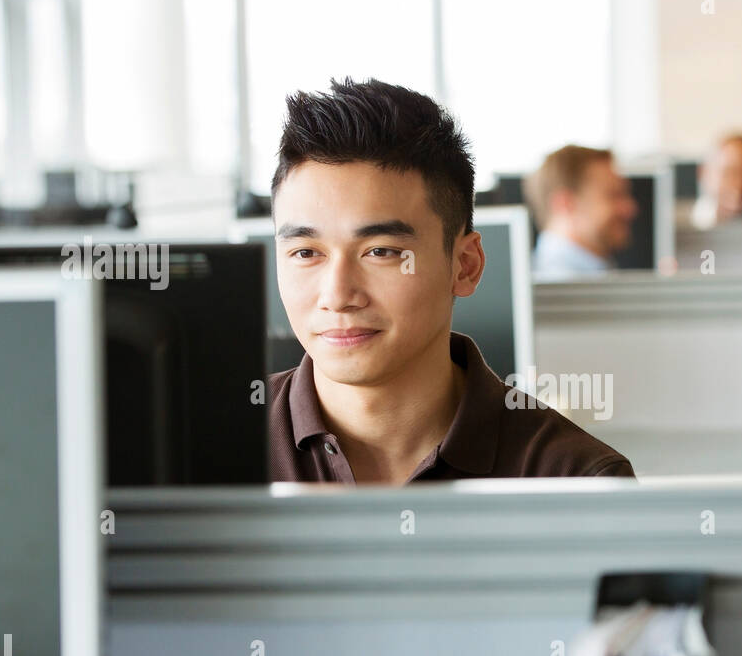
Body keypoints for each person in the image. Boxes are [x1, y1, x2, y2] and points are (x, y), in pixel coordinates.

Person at [267, 78, 635, 484]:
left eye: (381, 252)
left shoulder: (575, 481)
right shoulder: (202, 446)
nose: (337, 296)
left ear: (465, 265)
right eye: (305, 253)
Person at [525, 145, 638, 280]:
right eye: (613, 195)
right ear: (565, 204)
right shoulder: (554, 286)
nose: (630, 209)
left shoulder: (597, 274)